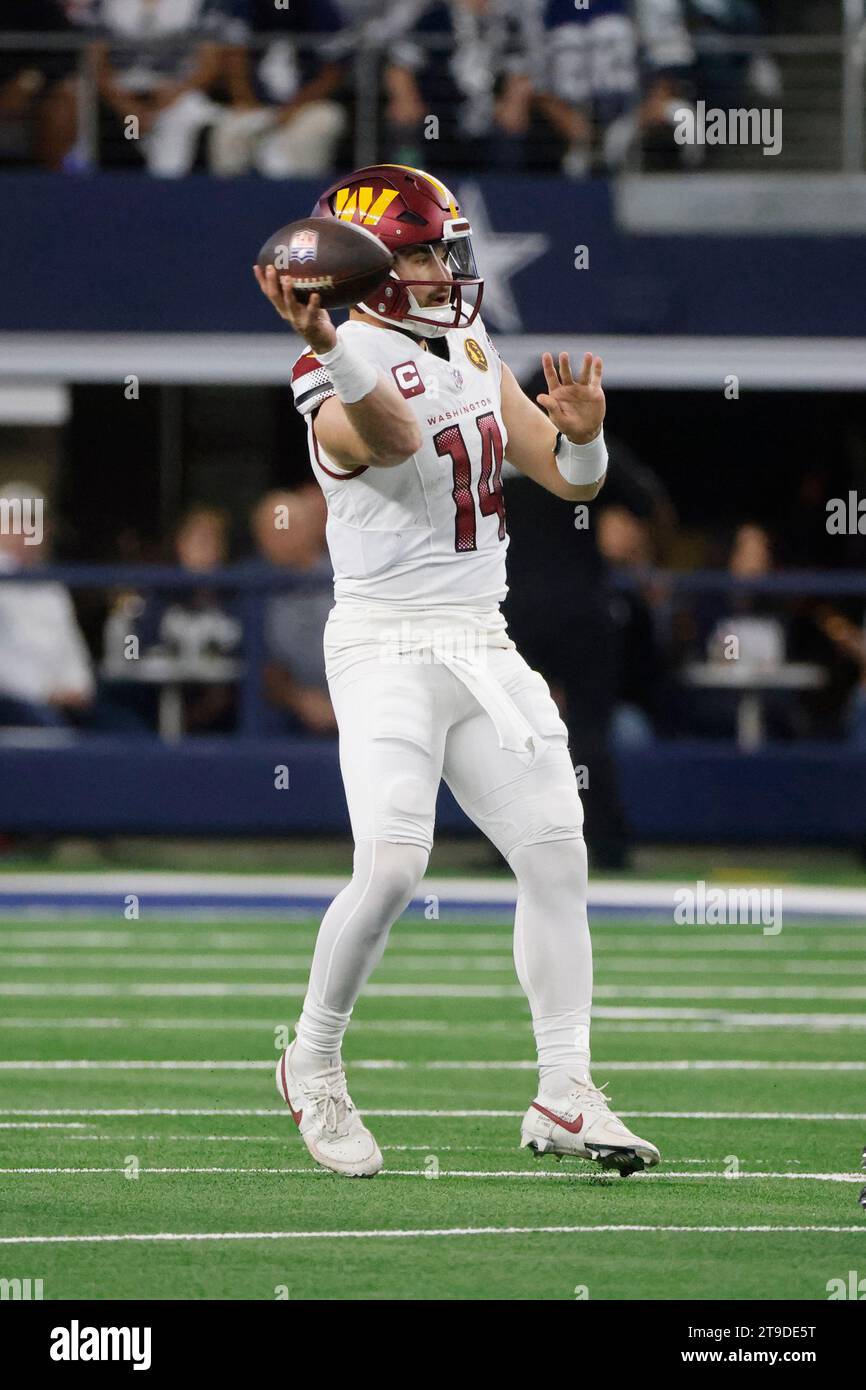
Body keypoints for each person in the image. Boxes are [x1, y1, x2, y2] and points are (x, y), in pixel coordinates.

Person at [254, 163, 660, 1180]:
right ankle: (311, 1058)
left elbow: (565, 475)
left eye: (445, 247)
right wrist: (330, 346)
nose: (446, 267)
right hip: (387, 641)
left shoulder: (468, 340)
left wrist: (585, 429)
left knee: (556, 853)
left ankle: (564, 1090)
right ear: (370, 266)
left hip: (480, 636)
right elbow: (388, 440)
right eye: (426, 250)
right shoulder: (332, 366)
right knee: (393, 864)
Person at [209, 0, 347, 178]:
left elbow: (333, 72)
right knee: (228, 132)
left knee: (319, 125)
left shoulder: (320, 8)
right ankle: (227, 202)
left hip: (307, 107)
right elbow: (235, 57)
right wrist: (247, 100)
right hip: (256, 104)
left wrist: (294, 108)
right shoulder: (246, 5)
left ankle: (305, 199)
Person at [0, 482, 95, 727]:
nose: (25, 533)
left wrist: (79, 687)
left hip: (65, 701)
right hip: (14, 701)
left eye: (33, 523)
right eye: (15, 523)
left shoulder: (51, 588)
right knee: (57, 737)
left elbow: (73, 649)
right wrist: (44, 692)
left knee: (125, 730)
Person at [248, 487, 337, 736]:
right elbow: (259, 664)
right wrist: (299, 700)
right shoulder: (252, 585)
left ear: (308, 529)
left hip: (359, 699)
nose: (272, 537)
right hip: (286, 716)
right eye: (265, 530)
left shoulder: (346, 575)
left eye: (283, 526)